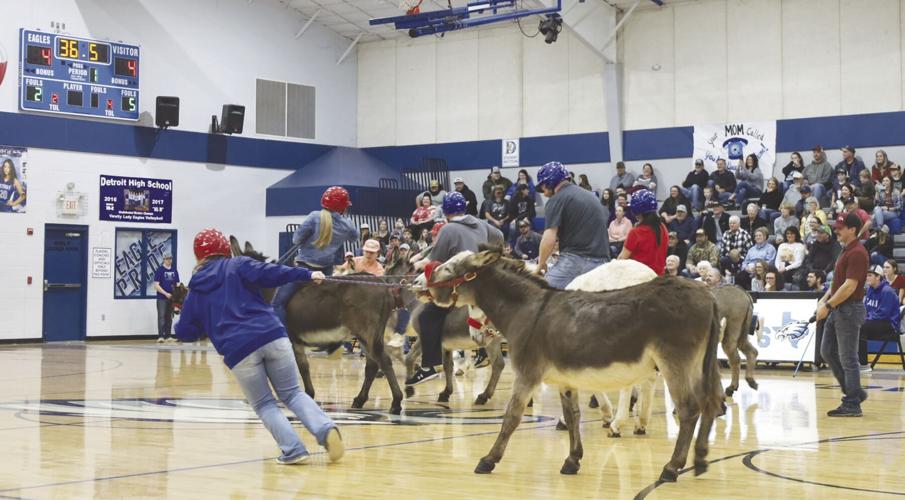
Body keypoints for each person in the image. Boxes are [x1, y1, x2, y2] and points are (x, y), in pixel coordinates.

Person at [174, 228, 343, 464]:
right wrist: (307, 275)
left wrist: (182, 322)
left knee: (264, 404)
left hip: (239, 352)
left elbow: (185, 332)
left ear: (198, 256)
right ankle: (325, 429)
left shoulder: (196, 290)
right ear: (225, 249)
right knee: (294, 393)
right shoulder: (240, 264)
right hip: (272, 335)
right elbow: (273, 273)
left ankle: (293, 449)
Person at [407, 192, 504, 385]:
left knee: (427, 316)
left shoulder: (448, 229)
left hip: (461, 286)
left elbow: (437, 261)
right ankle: (482, 352)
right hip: (482, 284)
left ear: (447, 211)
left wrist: (418, 265)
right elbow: (499, 236)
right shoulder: (480, 223)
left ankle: (429, 366)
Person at [273, 187, 358, 326]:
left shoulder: (314, 216)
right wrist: (346, 224)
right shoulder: (347, 224)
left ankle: (284, 338)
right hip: (326, 273)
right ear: (343, 207)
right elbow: (354, 238)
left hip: (304, 269)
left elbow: (296, 239)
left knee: (278, 303)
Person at [815, 213, 869, 417]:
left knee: (848, 358)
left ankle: (853, 403)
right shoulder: (845, 250)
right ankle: (854, 392)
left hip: (848, 309)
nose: (836, 230)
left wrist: (827, 306)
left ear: (853, 229)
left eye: (840, 227)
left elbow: (849, 286)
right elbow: (838, 283)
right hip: (838, 306)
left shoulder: (857, 253)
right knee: (827, 351)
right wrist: (824, 298)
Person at [858, 265, 900, 371]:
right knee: (854, 325)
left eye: (870, 275)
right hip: (874, 323)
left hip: (889, 325)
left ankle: (863, 365)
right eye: (867, 275)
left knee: (861, 326)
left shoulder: (887, 291)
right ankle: (854, 361)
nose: (867, 278)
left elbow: (883, 314)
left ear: (878, 277)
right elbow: (866, 309)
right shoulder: (869, 290)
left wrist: (865, 319)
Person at [618, 189, 668, 275]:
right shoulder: (662, 227)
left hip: (639, 279)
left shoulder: (636, 232)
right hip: (659, 278)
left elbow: (622, 259)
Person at [799, 224, 840, 289]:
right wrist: (811, 269)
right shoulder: (815, 244)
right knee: (802, 275)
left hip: (827, 270)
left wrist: (825, 271)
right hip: (814, 269)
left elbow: (834, 260)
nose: (818, 235)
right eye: (817, 233)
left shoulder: (835, 244)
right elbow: (809, 259)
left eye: (821, 233)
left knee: (830, 277)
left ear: (827, 235)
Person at [153, 255, 180, 343]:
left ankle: (168, 336)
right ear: (164, 259)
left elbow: (177, 284)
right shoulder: (160, 270)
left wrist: (176, 297)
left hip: (171, 298)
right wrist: (165, 293)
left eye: (170, 258)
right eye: (167, 259)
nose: (169, 260)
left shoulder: (174, 270)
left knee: (169, 317)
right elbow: (156, 285)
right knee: (161, 316)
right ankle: (161, 336)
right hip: (161, 298)